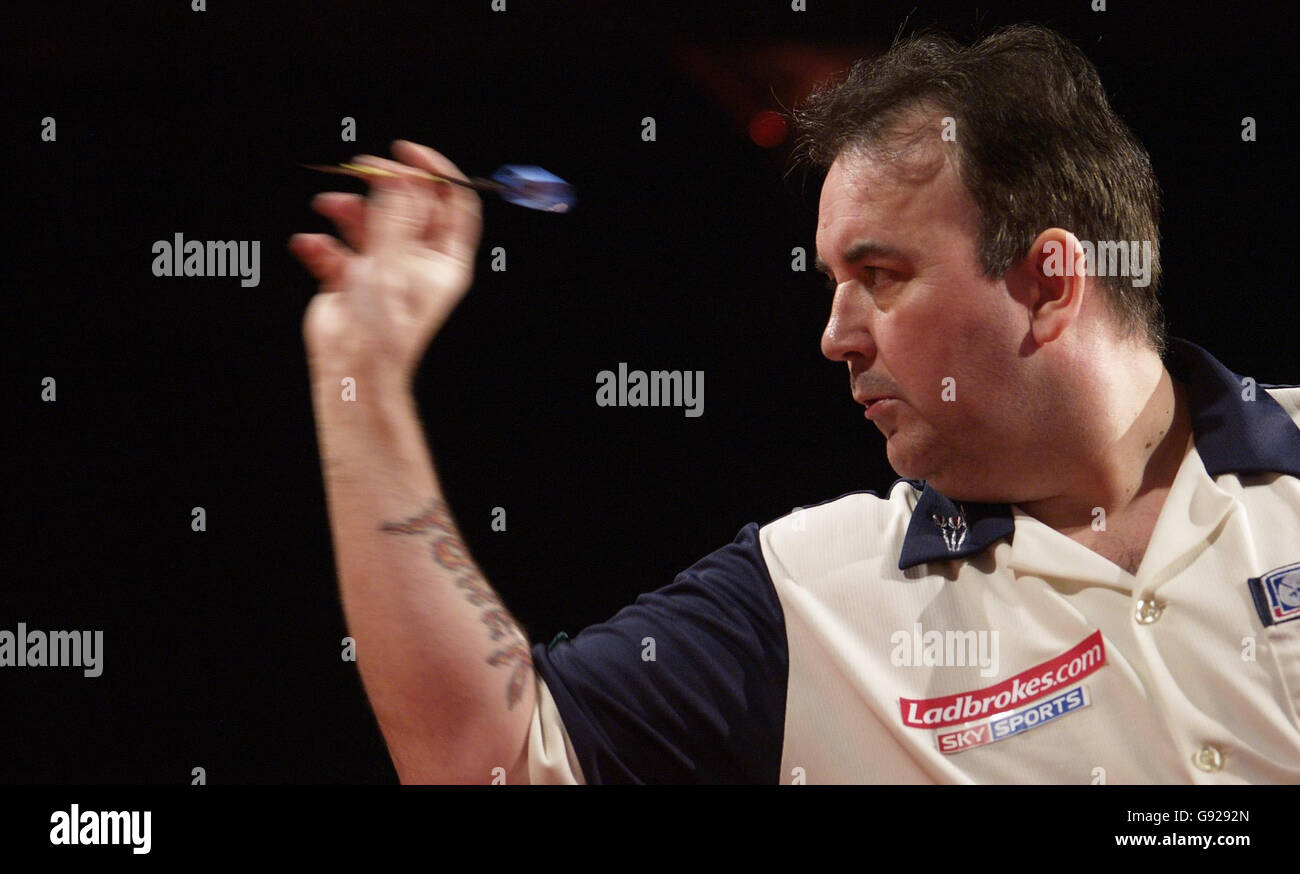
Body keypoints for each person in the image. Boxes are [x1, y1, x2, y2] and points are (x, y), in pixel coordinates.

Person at [288, 23, 1300, 784]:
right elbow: (487, 758)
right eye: (830, 282)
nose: (836, 335)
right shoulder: (805, 593)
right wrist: (362, 377)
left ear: (1046, 283)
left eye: (881, 275)